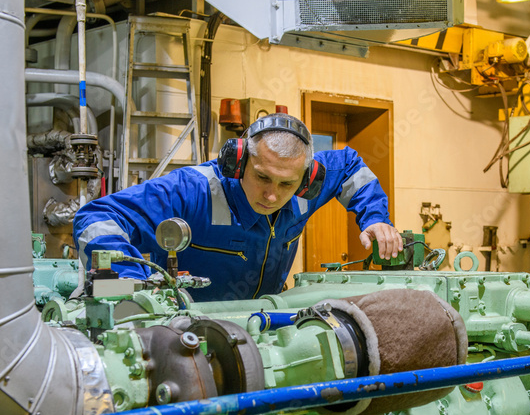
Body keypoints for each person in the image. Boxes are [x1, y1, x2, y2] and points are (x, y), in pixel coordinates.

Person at [73, 113, 402, 302]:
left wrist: (375, 219)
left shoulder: (306, 187)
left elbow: (350, 166)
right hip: (187, 333)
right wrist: (130, 286)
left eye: (286, 184)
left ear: (307, 179)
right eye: (262, 177)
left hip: (263, 327)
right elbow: (97, 217)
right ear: (238, 162)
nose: (271, 196)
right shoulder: (194, 190)